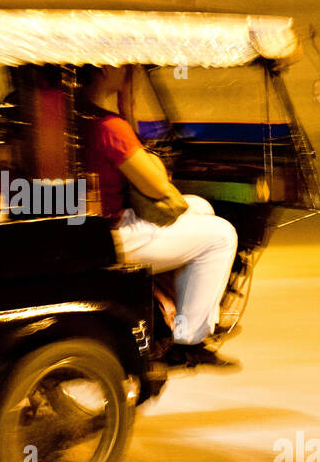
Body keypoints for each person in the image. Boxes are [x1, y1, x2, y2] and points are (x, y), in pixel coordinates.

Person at [79, 64, 237, 365]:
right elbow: (158, 187)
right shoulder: (109, 127)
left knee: (200, 208)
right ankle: (188, 339)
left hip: (90, 228)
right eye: (122, 64)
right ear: (100, 69)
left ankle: (177, 312)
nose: (130, 69)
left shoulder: (78, 115)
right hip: (110, 236)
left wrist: (127, 105)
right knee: (221, 235)